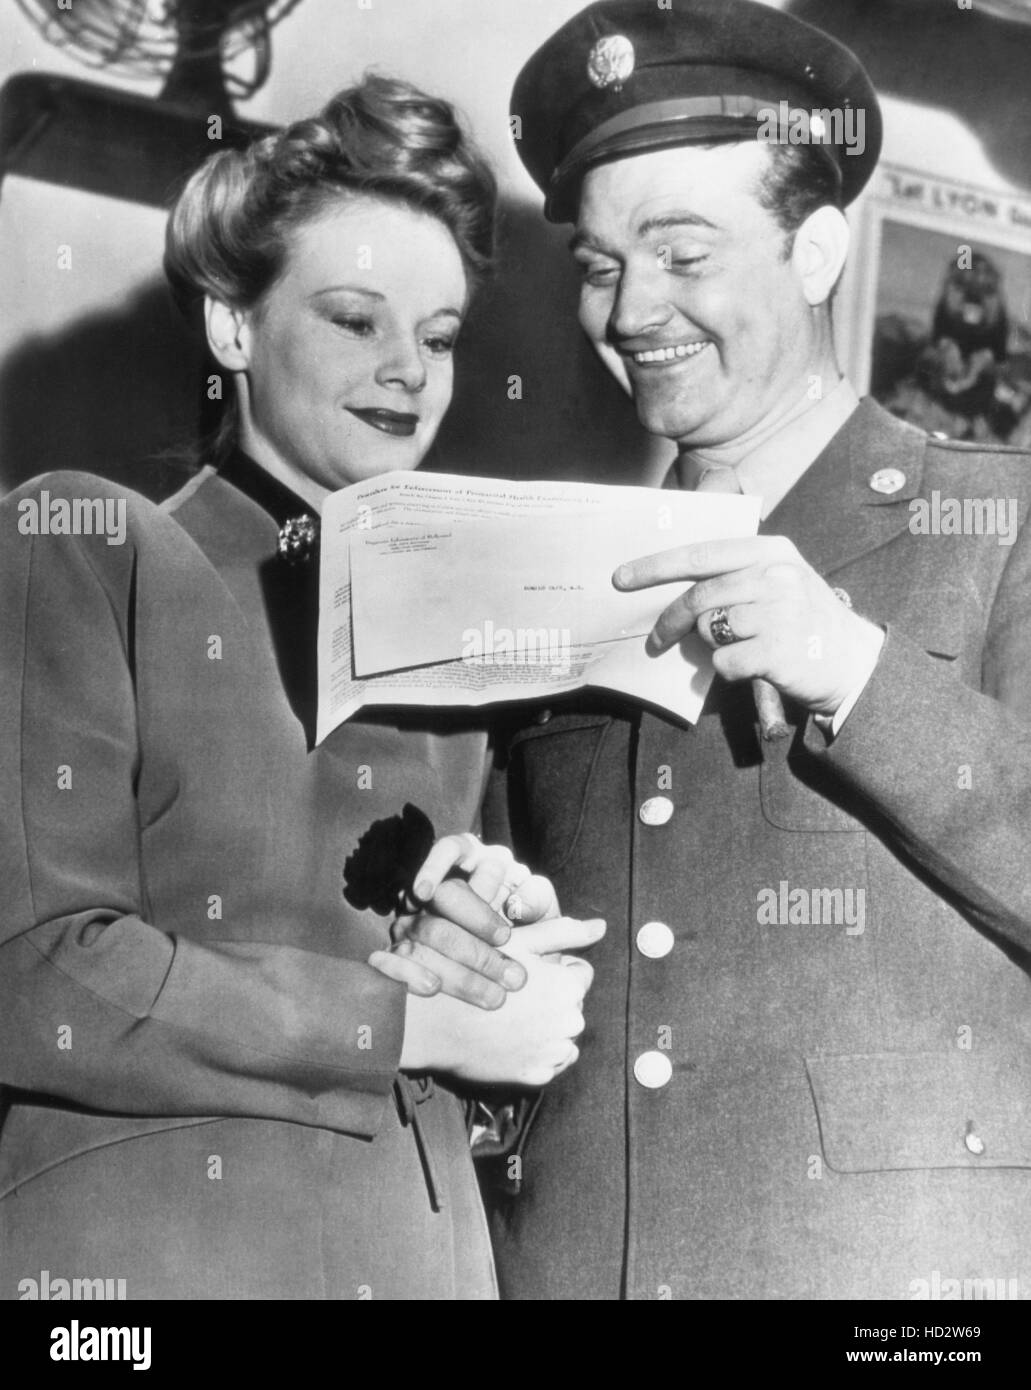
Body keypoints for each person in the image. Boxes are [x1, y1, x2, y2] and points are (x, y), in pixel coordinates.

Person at [419, 0, 1031, 1300]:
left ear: (814, 250)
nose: (629, 308)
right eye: (594, 263)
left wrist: (852, 670)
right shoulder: (553, 562)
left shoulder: (994, 525)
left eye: (680, 252)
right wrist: (469, 977)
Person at [0, 74, 600, 1302]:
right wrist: (403, 1026)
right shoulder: (83, 543)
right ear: (232, 325)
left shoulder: (462, 643)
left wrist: (486, 956)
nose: (407, 373)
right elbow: (37, 971)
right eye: (352, 319)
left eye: (436, 337)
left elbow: (459, 1024)